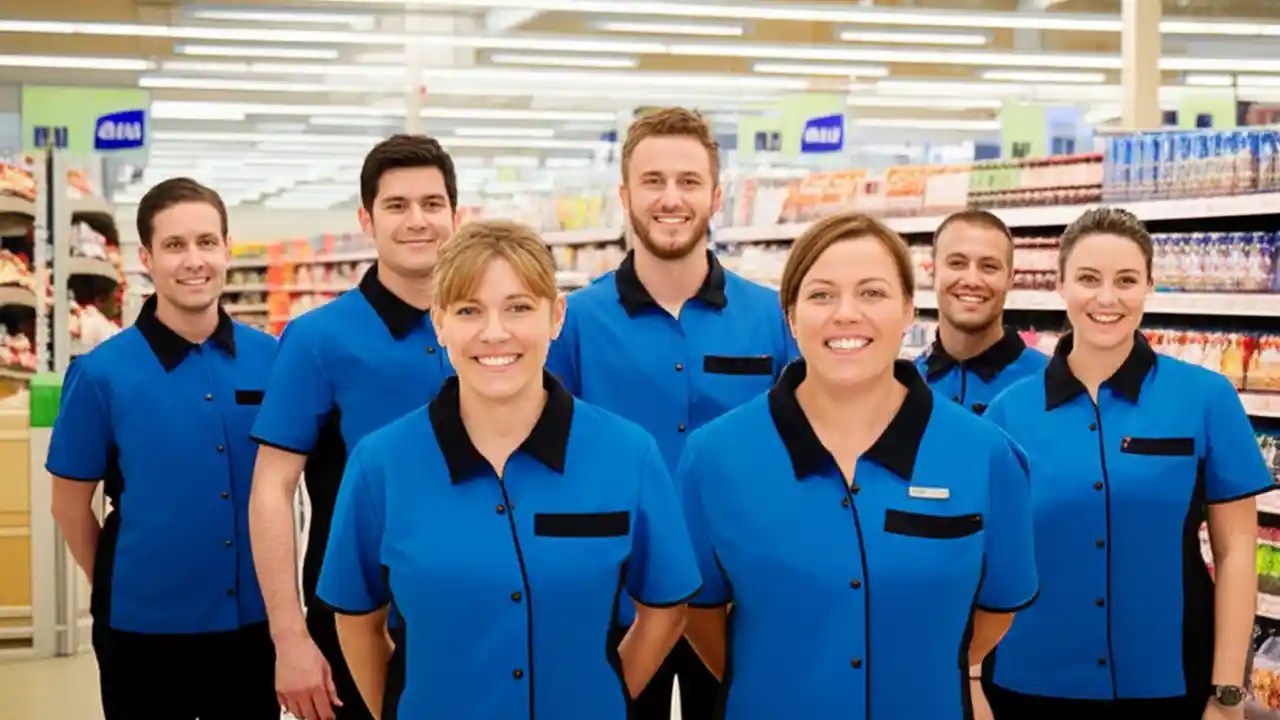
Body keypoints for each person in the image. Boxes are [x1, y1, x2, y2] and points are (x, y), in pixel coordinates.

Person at [315, 219, 701, 719]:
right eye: (469, 310)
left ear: (556, 316)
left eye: (518, 308)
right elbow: (358, 620)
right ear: (440, 324)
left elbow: (666, 609)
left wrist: (600, 697)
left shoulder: (627, 455)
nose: (494, 333)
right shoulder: (380, 465)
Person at [678, 211, 1040, 720]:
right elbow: (700, 611)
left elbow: (997, 609)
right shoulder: (714, 456)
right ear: (791, 316)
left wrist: (911, 670)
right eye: (822, 295)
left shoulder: (985, 455)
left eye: (872, 293)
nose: (846, 314)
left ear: (910, 310)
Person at [546, 106, 797, 719]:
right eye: (653, 181)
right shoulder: (574, 324)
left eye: (688, 182)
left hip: (744, 601)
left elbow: (800, 454)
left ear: (715, 196)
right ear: (625, 195)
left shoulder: (772, 317)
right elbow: (551, 461)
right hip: (617, 604)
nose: (671, 199)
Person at [978, 207, 1274, 720]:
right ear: (1061, 285)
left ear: (1150, 286)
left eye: (1126, 280)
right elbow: (987, 559)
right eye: (1089, 279)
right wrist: (973, 674)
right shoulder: (1009, 411)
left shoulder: (1205, 398)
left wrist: (1228, 693)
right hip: (1028, 681)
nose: (1107, 298)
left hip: (1170, 679)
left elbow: (1237, 552)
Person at [46, 178, 278, 719]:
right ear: (147, 258)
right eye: (174, 246)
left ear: (225, 248)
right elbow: (68, 503)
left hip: (252, 624)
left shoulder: (271, 360)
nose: (193, 260)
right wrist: (115, 582)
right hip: (141, 629)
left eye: (206, 242)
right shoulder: (102, 374)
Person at [248, 134, 458, 720]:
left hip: (475, 619)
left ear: (455, 215)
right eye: (396, 206)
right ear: (367, 219)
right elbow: (271, 491)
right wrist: (289, 639)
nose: (417, 221)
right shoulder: (319, 339)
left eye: (432, 204)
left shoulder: (489, 333)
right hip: (354, 617)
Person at [916, 210, 1046, 415]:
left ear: (1011, 279)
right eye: (957, 263)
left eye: (989, 267)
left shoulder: (1050, 383)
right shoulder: (902, 385)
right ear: (932, 272)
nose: (972, 281)